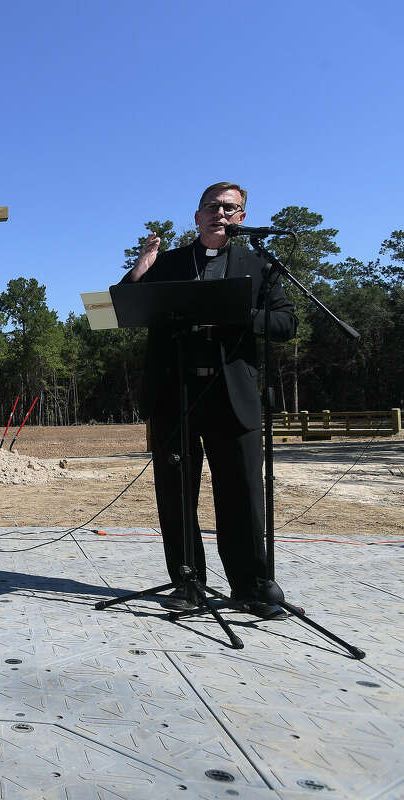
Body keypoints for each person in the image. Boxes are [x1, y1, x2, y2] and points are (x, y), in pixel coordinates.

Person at [117, 182, 298, 619]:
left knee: (242, 492)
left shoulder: (260, 266)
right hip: (174, 394)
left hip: (232, 396)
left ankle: (251, 585)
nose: (221, 213)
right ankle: (188, 582)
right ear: (196, 216)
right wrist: (140, 269)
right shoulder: (171, 262)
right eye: (212, 207)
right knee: (177, 492)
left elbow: (285, 322)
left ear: (241, 217)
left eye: (231, 208)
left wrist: (240, 314)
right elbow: (123, 307)